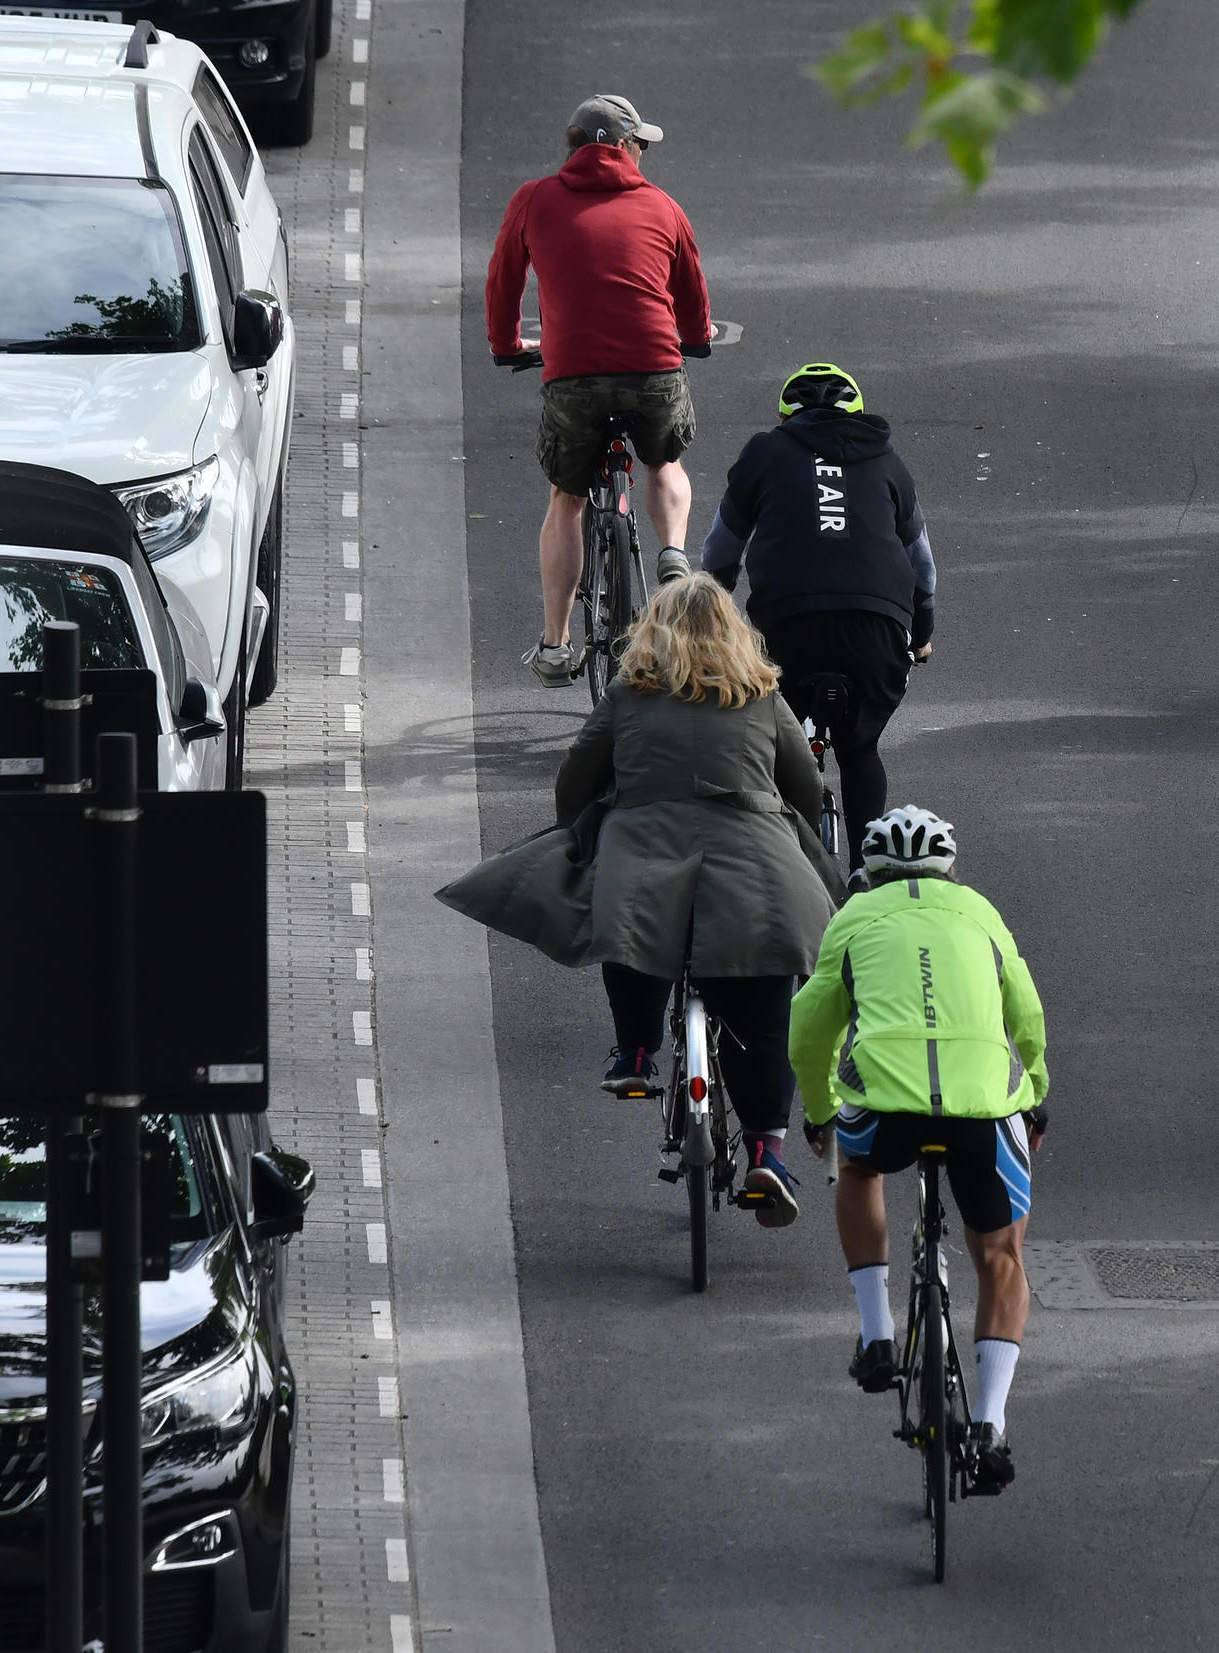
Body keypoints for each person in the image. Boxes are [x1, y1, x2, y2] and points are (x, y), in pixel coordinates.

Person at [435, 574, 841, 1223]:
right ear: (735, 635)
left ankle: (636, 1051)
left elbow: (576, 779)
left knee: (628, 924)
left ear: (654, 631)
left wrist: (586, 825)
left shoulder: (630, 694)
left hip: (646, 854)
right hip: (755, 871)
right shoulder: (761, 696)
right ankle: (766, 1148)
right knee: (764, 1012)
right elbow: (806, 784)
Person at [789, 807, 1048, 1495]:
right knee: (1001, 1256)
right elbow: (1024, 1006)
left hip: (886, 1099)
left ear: (868, 872)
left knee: (856, 1165)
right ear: (951, 868)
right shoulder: (978, 911)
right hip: (981, 1105)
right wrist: (1038, 1087)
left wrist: (818, 1114)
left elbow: (810, 1029)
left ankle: (876, 1332)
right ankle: (990, 1423)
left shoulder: (854, 917)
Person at [485, 93, 716, 687]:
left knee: (567, 497)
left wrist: (508, 346)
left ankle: (557, 645)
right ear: (620, 146)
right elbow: (692, 293)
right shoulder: (663, 207)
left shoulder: (534, 200)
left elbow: (503, 281)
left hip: (574, 378)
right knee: (665, 461)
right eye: (639, 143)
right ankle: (672, 555)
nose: (643, 154)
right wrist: (694, 338)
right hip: (653, 370)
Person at [700, 363, 934, 875]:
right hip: (877, 627)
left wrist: (712, 611)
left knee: (774, 743)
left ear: (788, 415)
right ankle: (866, 875)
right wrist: (924, 628)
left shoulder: (765, 452)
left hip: (787, 627)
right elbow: (921, 562)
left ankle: (780, 869)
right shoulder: (889, 460)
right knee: (860, 746)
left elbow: (722, 547)